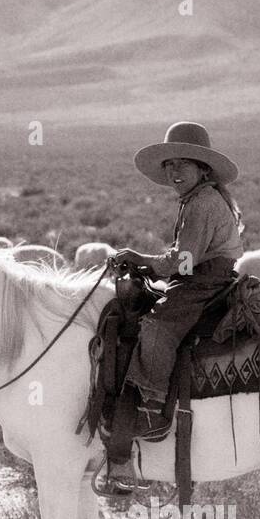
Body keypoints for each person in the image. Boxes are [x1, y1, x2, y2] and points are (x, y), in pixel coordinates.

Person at [97, 121, 244, 492]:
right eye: (169, 165)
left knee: (156, 327)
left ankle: (150, 407)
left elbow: (183, 261)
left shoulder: (204, 202)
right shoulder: (197, 199)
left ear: (203, 169)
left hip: (204, 281)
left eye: (183, 163)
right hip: (200, 276)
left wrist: (141, 260)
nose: (174, 171)